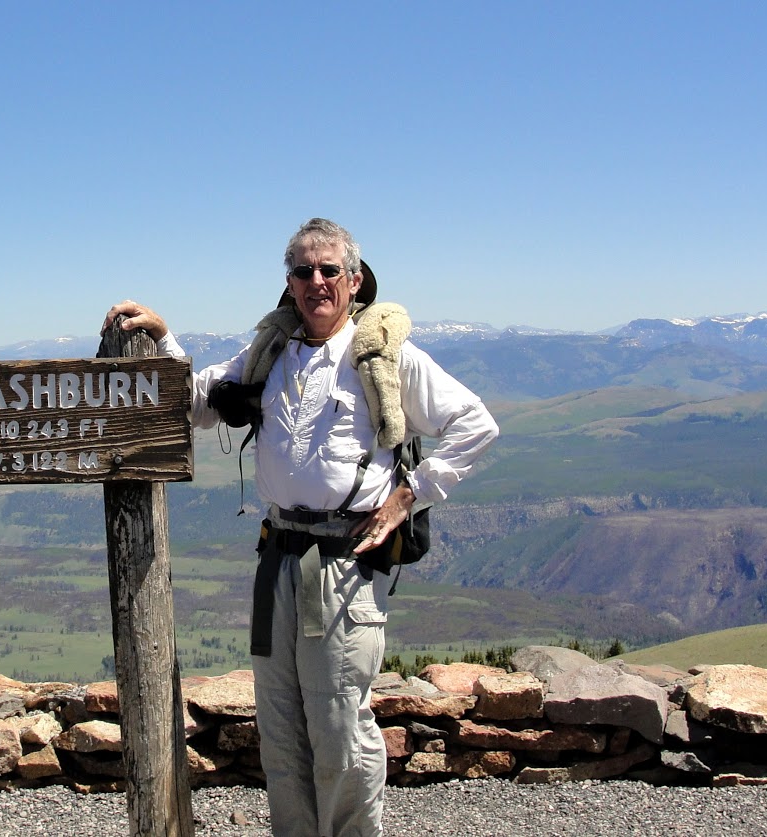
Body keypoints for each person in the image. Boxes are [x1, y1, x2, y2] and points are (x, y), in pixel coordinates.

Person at [103, 218, 498, 836]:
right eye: (303, 271)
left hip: (342, 563)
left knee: (339, 727)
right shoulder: (272, 352)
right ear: (288, 283)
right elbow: (202, 400)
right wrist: (165, 336)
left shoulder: (384, 357)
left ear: (354, 279)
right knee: (281, 726)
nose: (316, 282)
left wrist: (407, 497)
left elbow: (475, 424)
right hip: (279, 557)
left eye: (329, 270)